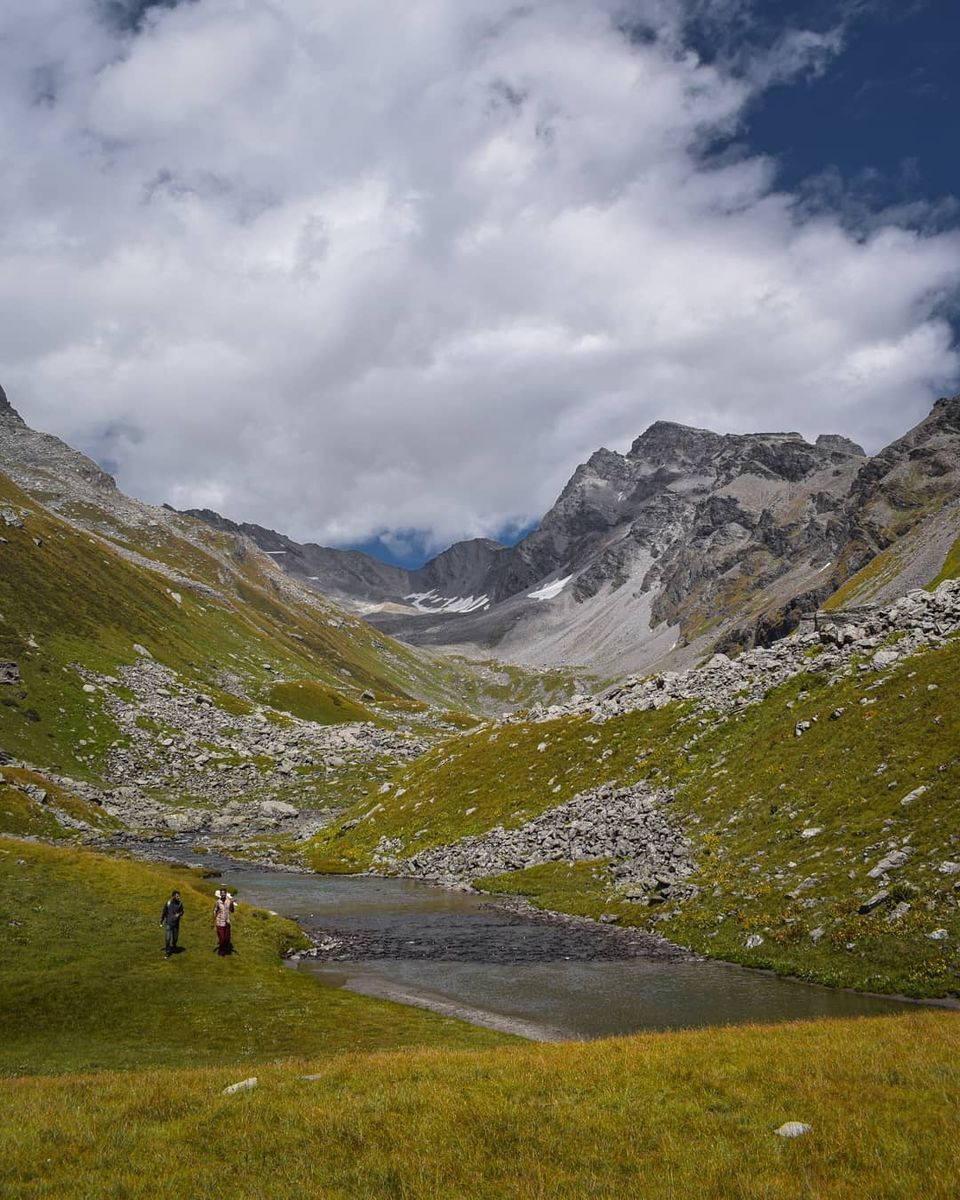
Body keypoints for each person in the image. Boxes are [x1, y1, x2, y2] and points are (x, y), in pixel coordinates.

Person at [160, 889, 184, 958]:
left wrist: (179, 914)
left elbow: (182, 911)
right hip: (168, 924)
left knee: (175, 938)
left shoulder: (180, 904)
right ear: (173, 896)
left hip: (176, 924)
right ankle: (167, 952)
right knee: (167, 939)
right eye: (177, 896)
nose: (179, 897)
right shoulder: (168, 903)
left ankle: (174, 945)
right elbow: (164, 912)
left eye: (179, 896)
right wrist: (161, 920)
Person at [213, 888, 235, 955]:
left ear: (226, 893)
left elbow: (232, 911)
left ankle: (226, 949)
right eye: (221, 893)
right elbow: (215, 910)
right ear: (220, 894)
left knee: (227, 938)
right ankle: (221, 952)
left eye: (223, 893)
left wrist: (232, 904)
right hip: (220, 922)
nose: (222, 894)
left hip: (227, 922)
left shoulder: (229, 901)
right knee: (222, 938)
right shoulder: (218, 902)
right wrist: (214, 917)